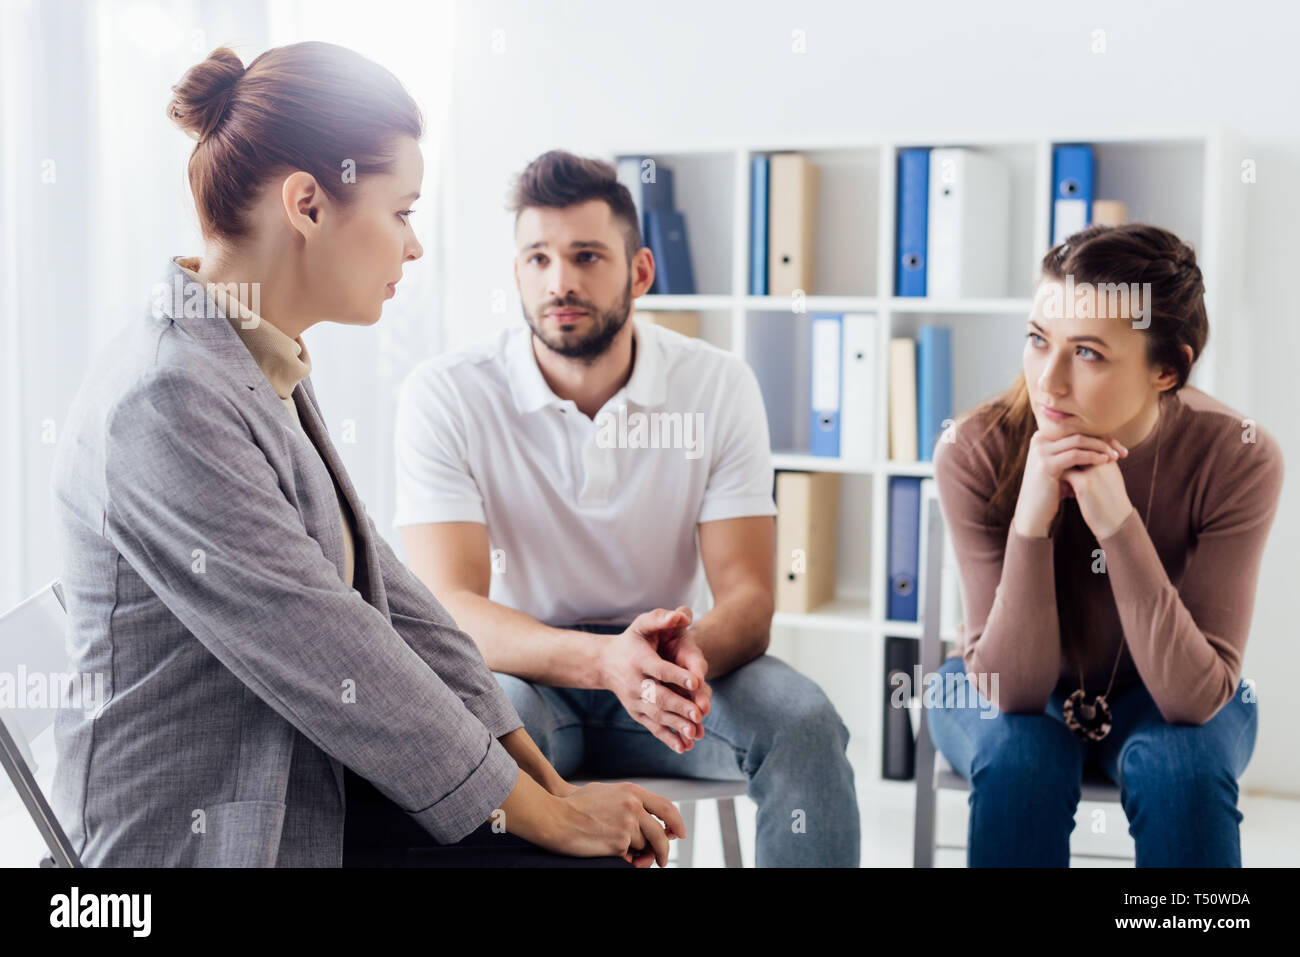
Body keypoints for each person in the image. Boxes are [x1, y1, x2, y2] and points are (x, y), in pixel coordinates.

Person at [48, 43, 684, 868]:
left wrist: (541, 778)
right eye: (403, 212)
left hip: (306, 777)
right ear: (307, 205)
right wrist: (542, 816)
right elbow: (328, 644)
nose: (413, 249)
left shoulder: (249, 354)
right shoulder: (165, 399)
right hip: (209, 829)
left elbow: (389, 600)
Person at [393, 150, 860, 867]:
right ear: (517, 272)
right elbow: (450, 609)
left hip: (675, 670)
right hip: (530, 670)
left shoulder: (717, 384)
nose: (561, 282)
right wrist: (603, 661)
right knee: (481, 725)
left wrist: (682, 657)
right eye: (538, 259)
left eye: (585, 255)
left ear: (640, 271)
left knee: (804, 722)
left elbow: (749, 596)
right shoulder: (448, 393)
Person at [927, 222, 1284, 867]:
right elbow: (1010, 693)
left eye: (1087, 352)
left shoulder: (1237, 457)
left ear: (1167, 370)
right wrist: (1031, 522)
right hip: (992, 677)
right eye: (1039, 341)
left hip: (1169, 686)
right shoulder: (977, 448)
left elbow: (1195, 697)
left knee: (1183, 766)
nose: (1049, 382)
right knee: (1020, 756)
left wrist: (1117, 523)